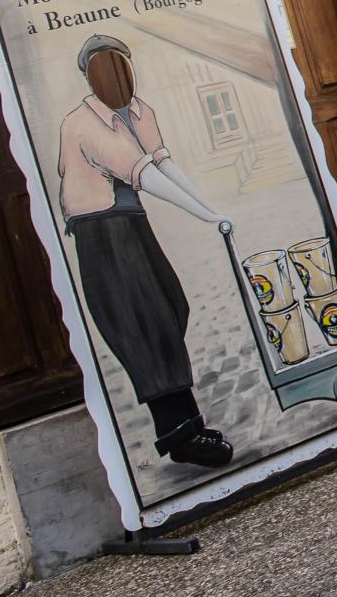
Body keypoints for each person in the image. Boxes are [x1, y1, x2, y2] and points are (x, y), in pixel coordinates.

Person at [56, 34, 234, 468]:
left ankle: (187, 424)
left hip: (129, 222)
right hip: (100, 229)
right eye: (102, 68)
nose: (114, 76)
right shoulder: (81, 123)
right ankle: (179, 436)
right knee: (143, 325)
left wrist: (211, 210)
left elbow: (162, 162)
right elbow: (147, 177)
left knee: (171, 308)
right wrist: (201, 214)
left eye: (119, 65)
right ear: (89, 76)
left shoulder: (139, 110)